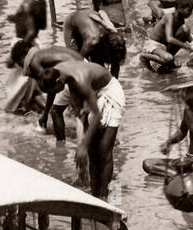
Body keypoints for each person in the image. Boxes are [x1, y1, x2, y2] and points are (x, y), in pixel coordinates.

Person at [25, 48, 124, 198]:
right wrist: (83, 145)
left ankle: (103, 196)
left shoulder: (80, 80)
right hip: (94, 92)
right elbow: (79, 113)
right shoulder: (60, 72)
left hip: (110, 91)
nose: (57, 93)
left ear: (58, 82)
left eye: (56, 90)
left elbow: (97, 114)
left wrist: (82, 145)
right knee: (91, 151)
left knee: (104, 150)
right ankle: (94, 194)